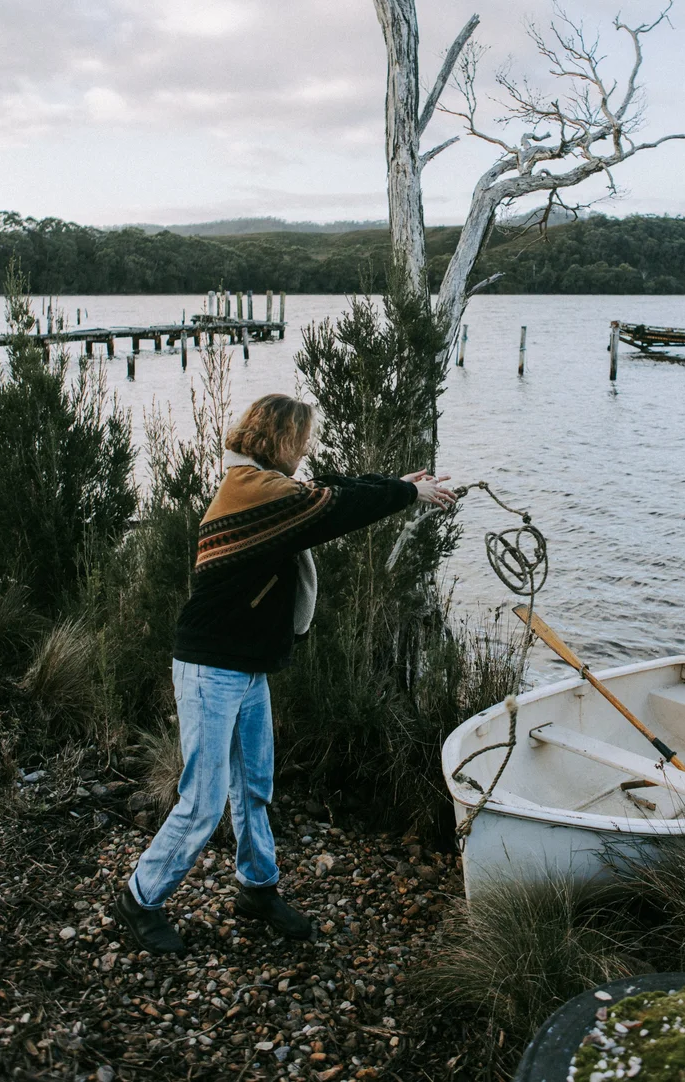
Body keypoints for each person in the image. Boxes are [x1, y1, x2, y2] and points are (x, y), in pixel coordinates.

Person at [114, 393, 455, 956]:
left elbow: (329, 491)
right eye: (300, 440)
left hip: (246, 667)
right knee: (202, 801)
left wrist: (392, 482)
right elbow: (331, 508)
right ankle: (140, 899)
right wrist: (408, 494)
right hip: (210, 668)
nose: (305, 451)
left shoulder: (266, 487)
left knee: (254, 787)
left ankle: (256, 889)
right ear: (279, 440)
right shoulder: (254, 492)